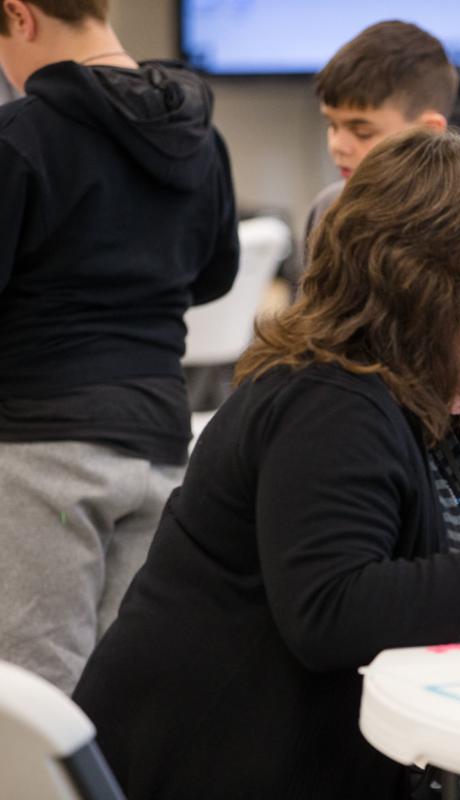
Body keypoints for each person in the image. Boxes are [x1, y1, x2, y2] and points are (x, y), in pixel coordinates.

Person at [73, 129, 460, 799]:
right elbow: (333, 612)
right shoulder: (327, 400)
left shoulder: (426, 386)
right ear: (436, 280)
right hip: (206, 769)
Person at [0, 0, 238, 693]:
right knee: (124, 699)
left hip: (42, 453)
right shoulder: (200, 136)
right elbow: (215, 274)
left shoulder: (20, 136)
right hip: (161, 446)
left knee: (32, 701)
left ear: (20, 16)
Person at [300, 19, 460, 370]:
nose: (339, 145)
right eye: (332, 124)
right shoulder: (329, 208)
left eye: (362, 130)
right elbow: (314, 342)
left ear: (428, 131)